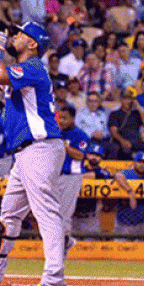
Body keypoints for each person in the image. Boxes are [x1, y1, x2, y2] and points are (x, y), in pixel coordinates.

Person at [0, 22, 67, 286]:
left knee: (46, 213)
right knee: (9, 214)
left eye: (21, 34)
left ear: (33, 43)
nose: (16, 36)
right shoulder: (22, 69)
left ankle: (54, 279)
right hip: (25, 153)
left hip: (40, 147)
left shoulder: (33, 67)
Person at [56, 104, 89, 255]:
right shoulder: (56, 133)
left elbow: (80, 156)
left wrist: (64, 146)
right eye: (60, 118)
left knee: (64, 212)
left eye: (65, 118)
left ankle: (62, 247)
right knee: (53, 212)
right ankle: (66, 240)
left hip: (72, 176)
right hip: (56, 176)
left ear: (73, 119)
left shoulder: (80, 135)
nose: (62, 121)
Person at [71, 143, 113, 235]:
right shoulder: (79, 168)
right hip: (73, 215)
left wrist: (77, 177)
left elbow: (93, 175)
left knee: (91, 241)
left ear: (101, 158)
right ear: (87, 155)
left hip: (90, 216)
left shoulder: (103, 171)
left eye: (97, 155)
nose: (94, 157)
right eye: (92, 154)